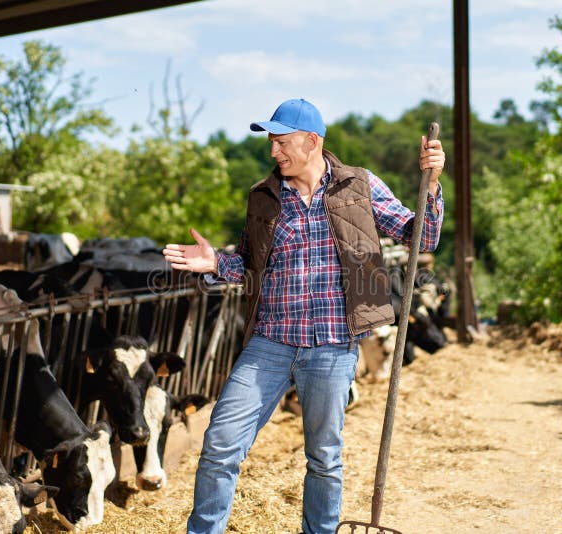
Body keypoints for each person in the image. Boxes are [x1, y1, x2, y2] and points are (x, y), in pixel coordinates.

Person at [163, 98, 445, 534]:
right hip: (269, 343)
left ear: (312, 141)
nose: (273, 151)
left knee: (324, 458)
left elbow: (420, 238)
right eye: (271, 142)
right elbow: (251, 266)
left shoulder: (359, 185)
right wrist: (216, 262)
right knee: (219, 443)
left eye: (281, 141)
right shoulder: (263, 196)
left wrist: (432, 185)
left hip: (332, 345)